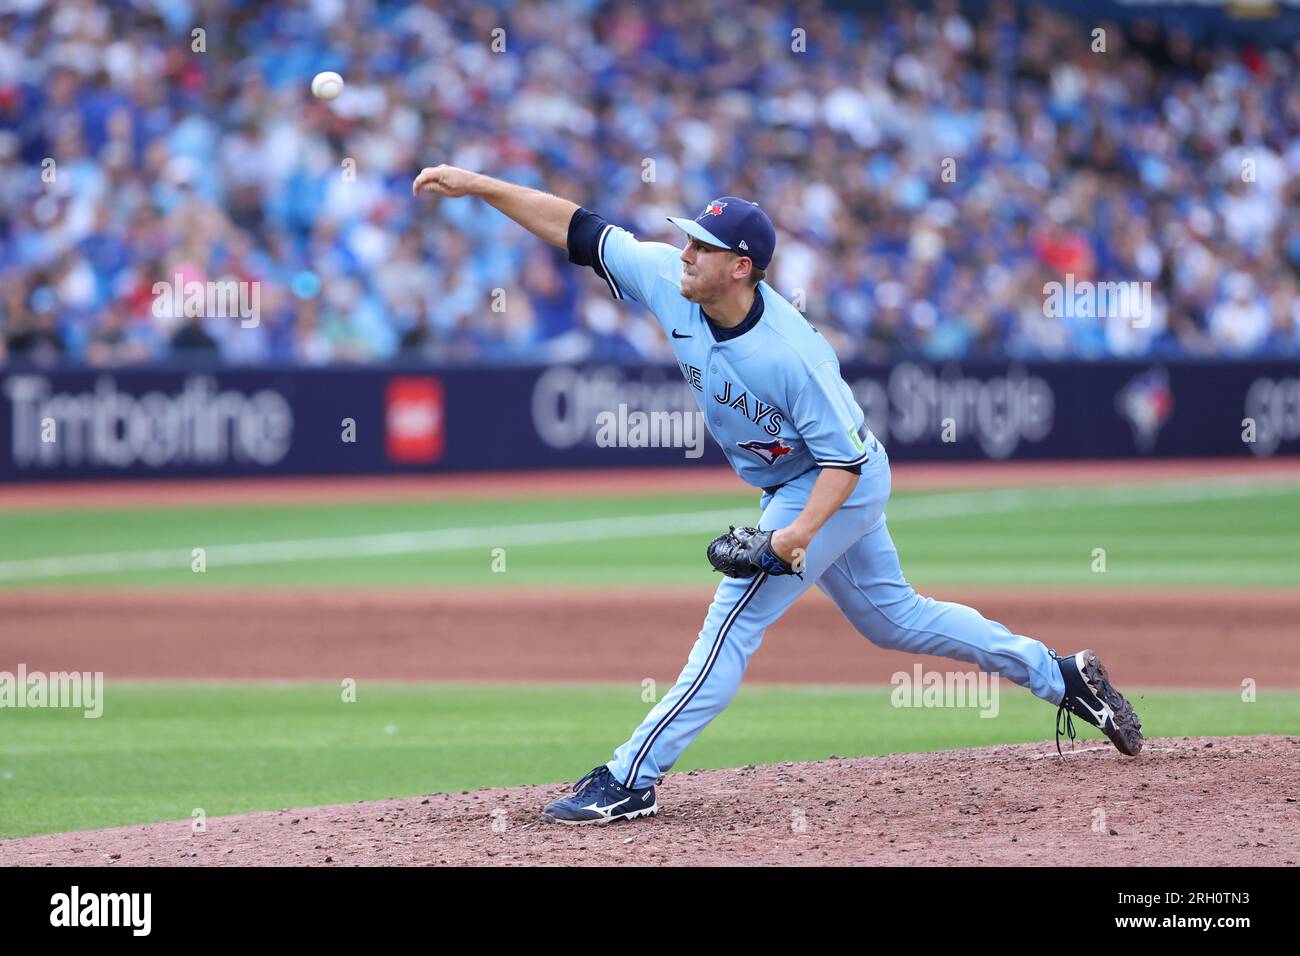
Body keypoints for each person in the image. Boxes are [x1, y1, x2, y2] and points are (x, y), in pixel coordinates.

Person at [412, 165, 1145, 825]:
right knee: (898, 622)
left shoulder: (791, 355)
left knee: (729, 625)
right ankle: (1060, 674)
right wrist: (480, 186)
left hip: (833, 482)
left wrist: (789, 540)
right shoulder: (668, 277)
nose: (685, 251)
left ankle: (630, 776)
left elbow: (846, 466)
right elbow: (579, 229)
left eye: (701, 245)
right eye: (688, 240)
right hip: (800, 481)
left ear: (742, 267)